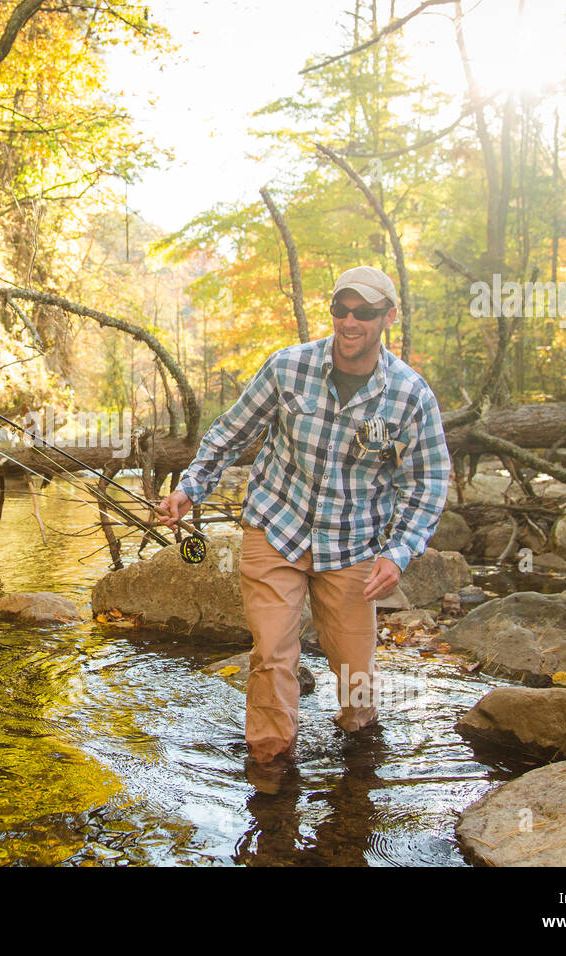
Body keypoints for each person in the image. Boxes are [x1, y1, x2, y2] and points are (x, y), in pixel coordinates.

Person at [157, 266, 451, 764]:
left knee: (356, 680)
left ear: (388, 317)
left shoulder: (410, 394)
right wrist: (191, 488)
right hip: (276, 528)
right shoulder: (287, 368)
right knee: (272, 657)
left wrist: (399, 554)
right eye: (342, 309)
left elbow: (427, 482)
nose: (350, 321)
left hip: (354, 546)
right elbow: (231, 432)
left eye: (365, 312)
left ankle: (361, 761)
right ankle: (271, 775)